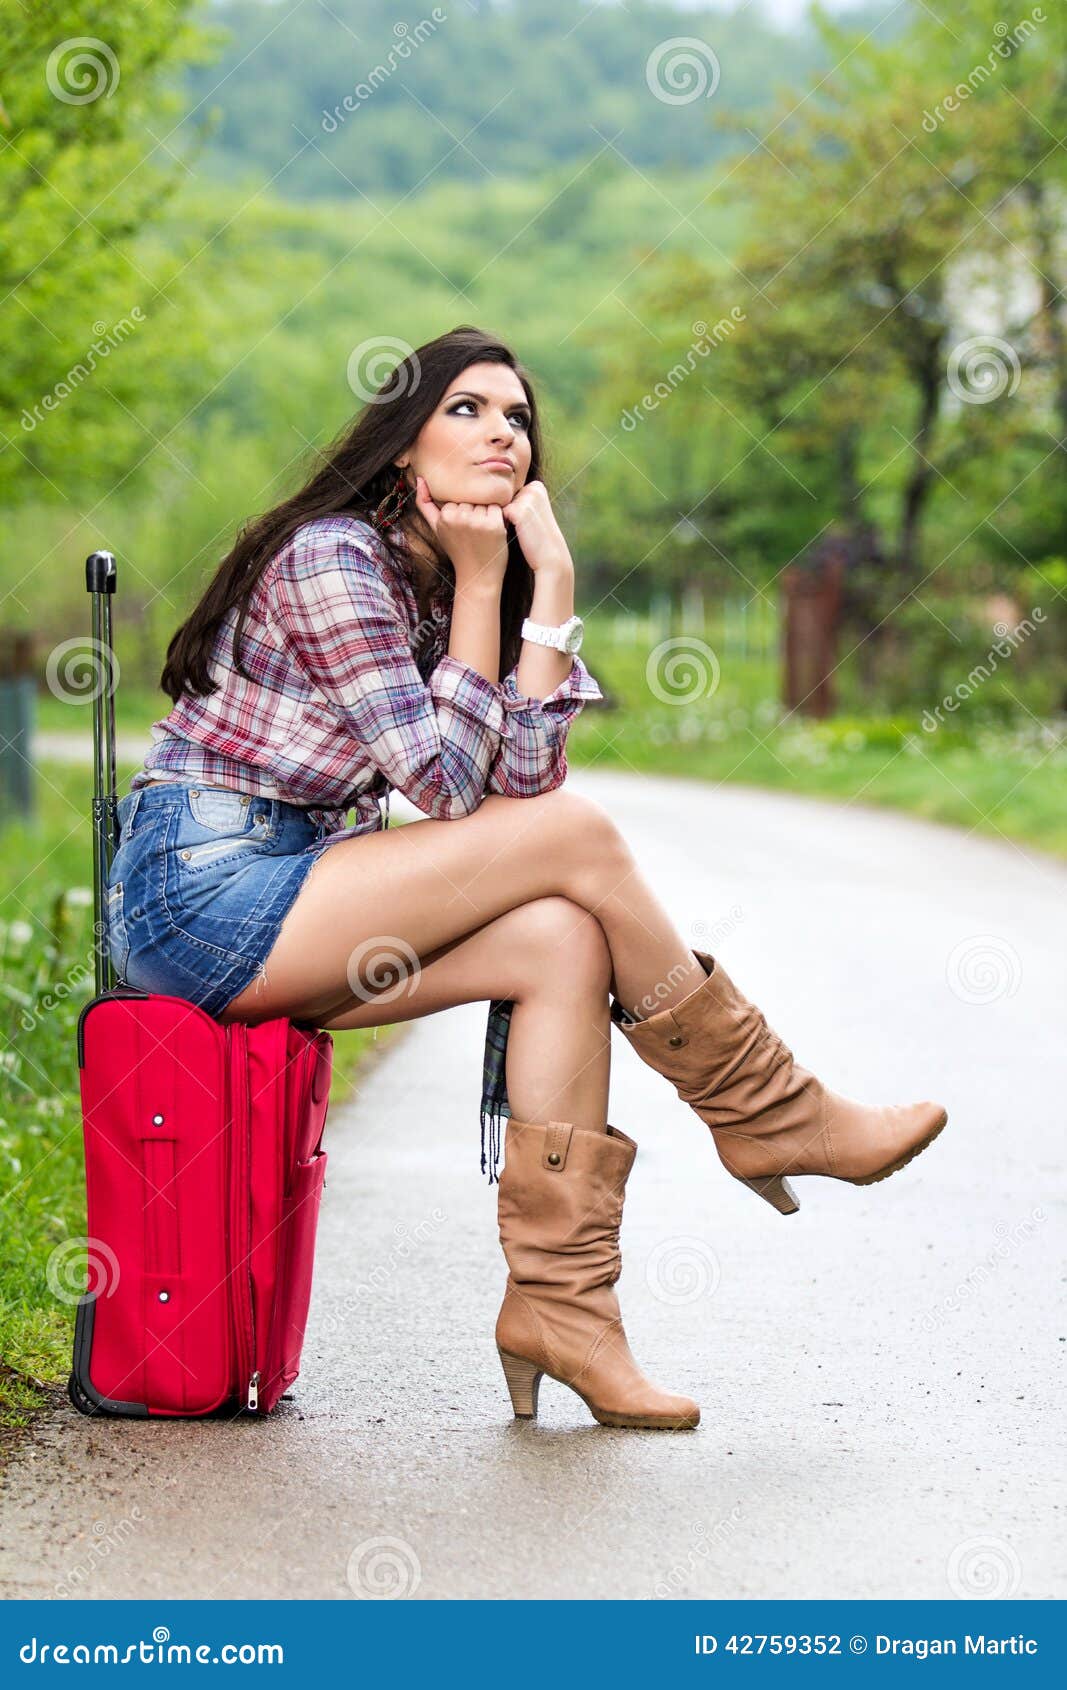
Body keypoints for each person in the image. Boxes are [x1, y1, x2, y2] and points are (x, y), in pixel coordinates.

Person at [107, 324, 947, 1433]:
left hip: (299, 890)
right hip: (200, 888)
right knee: (576, 842)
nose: (500, 431)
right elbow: (457, 793)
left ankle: (562, 1311)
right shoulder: (333, 558)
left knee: (560, 937)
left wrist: (541, 584)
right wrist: (490, 578)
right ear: (402, 445)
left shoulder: (452, 571)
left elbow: (525, 776)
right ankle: (768, 1110)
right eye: (465, 409)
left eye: (516, 417)